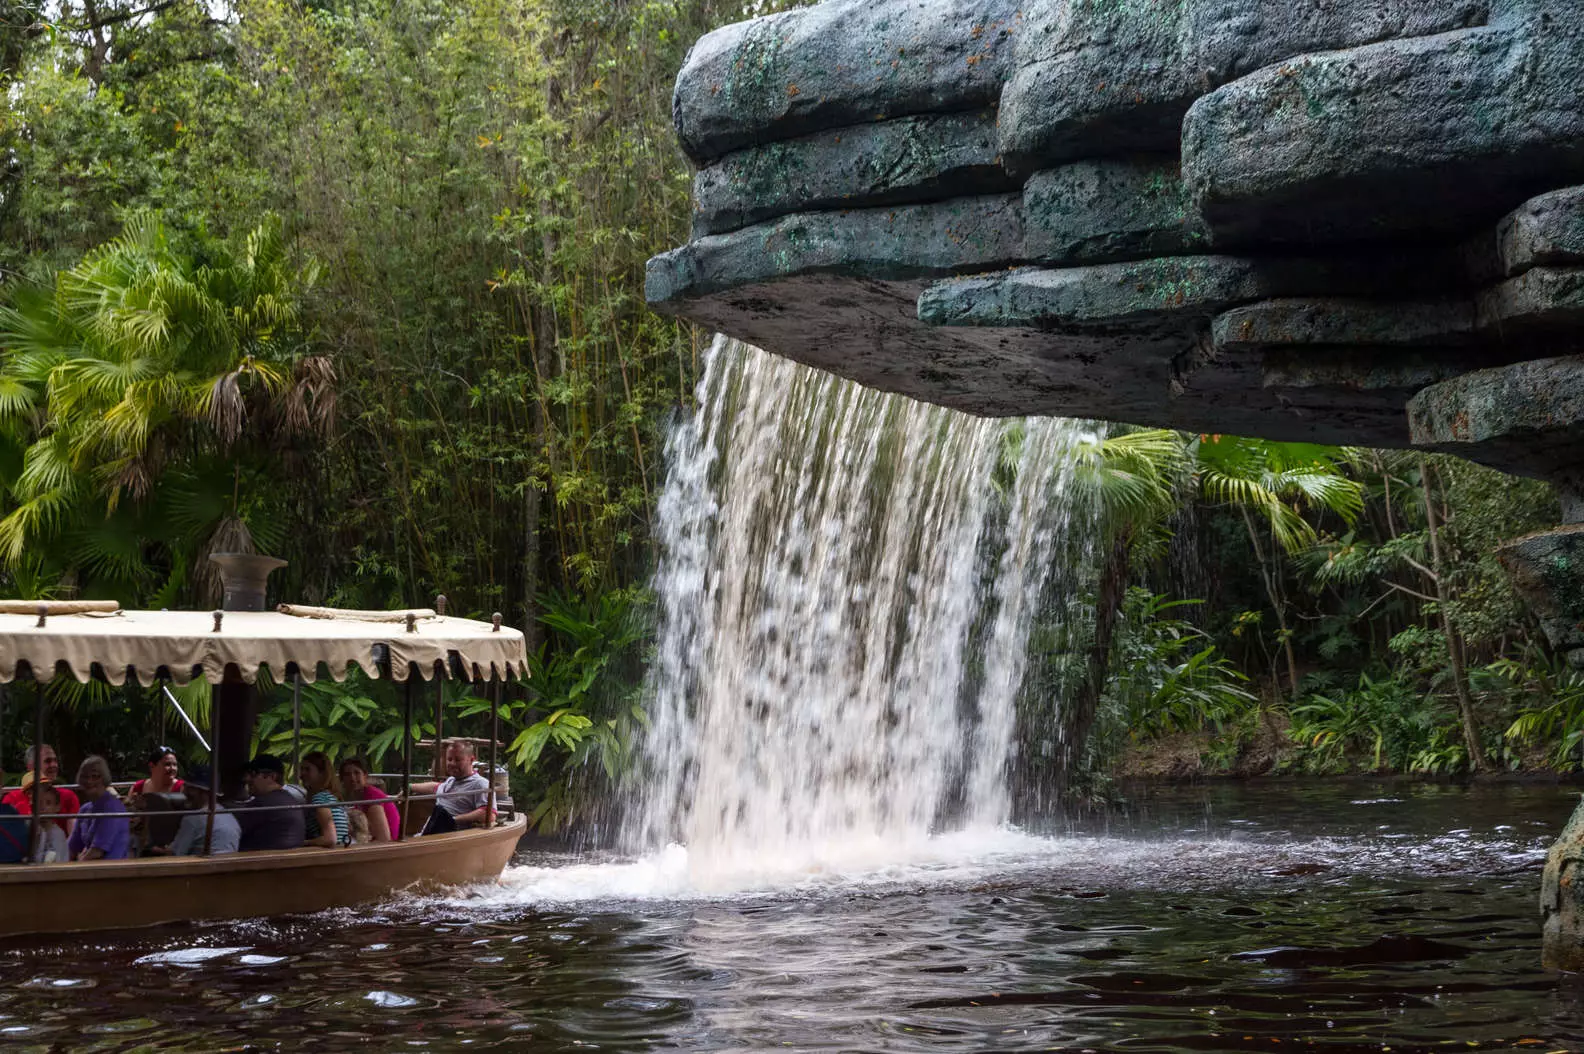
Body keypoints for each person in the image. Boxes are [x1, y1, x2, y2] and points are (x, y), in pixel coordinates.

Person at [152, 766, 240, 857]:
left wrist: (157, 850)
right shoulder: (230, 816)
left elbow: (175, 854)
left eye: (191, 789)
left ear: (205, 793)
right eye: (185, 787)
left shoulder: (193, 819)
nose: (185, 792)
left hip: (202, 869)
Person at [412, 739, 493, 835]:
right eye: (449, 759)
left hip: (451, 835)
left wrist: (452, 819)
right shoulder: (451, 780)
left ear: (471, 760)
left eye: (458, 760)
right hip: (431, 832)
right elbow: (435, 787)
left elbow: (488, 814)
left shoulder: (480, 783)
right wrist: (410, 787)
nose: (452, 764)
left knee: (440, 813)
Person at [235, 753, 305, 852]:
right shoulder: (290, 799)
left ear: (272, 776)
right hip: (284, 861)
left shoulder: (261, 804)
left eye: (253, 774)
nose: (247, 779)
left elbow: (233, 832)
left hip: (258, 863)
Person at [2, 744, 79, 834]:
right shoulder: (12, 798)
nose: (54, 765)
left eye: (55, 760)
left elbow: (74, 836)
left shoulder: (68, 796)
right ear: (31, 766)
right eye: (48, 761)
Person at [67, 756, 131, 861]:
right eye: (85, 776)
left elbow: (97, 852)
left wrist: (76, 866)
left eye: (95, 776)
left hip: (111, 870)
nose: (89, 781)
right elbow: (71, 848)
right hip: (91, 869)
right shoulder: (84, 809)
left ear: (104, 778)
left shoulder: (112, 807)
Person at [339, 757, 399, 842]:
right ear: (342, 779)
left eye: (356, 773)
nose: (352, 778)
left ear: (365, 775)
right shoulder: (358, 796)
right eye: (347, 774)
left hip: (388, 846)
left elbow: (383, 838)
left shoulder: (372, 796)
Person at [299, 751, 349, 848]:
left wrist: (302, 843)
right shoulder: (332, 796)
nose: (302, 774)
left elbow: (330, 839)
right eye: (301, 769)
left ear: (322, 773)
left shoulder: (320, 798)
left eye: (307, 770)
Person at [27, 783, 68, 863]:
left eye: (48, 803)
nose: (42, 807)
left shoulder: (58, 834)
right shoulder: (28, 829)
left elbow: (59, 859)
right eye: (38, 803)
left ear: (57, 807)